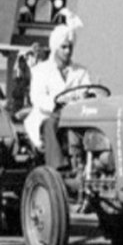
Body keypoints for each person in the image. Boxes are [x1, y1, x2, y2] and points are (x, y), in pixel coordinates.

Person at [28, 24, 94, 170]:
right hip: (48, 114)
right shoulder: (41, 70)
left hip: (76, 114)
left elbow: (86, 91)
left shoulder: (81, 72)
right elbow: (37, 97)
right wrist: (56, 103)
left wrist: (84, 98)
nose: (67, 51)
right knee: (51, 124)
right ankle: (57, 167)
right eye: (63, 47)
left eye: (70, 47)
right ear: (55, 47)